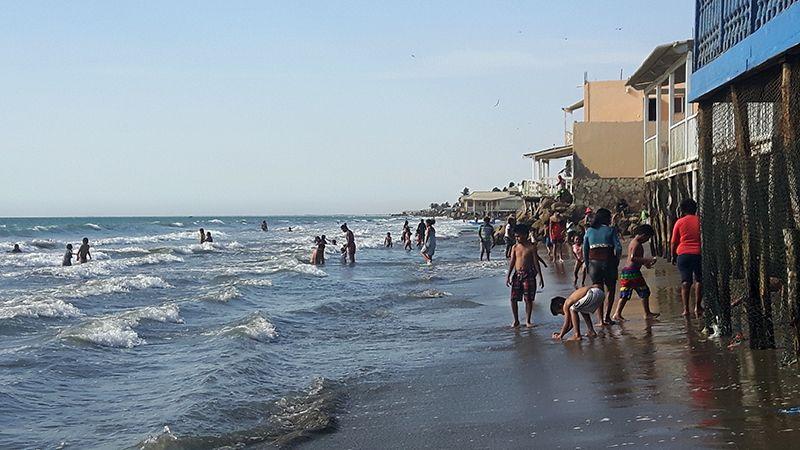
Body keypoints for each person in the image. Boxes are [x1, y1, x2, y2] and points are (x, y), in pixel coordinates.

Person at [583, 208, 622, 326]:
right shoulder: (611, 230)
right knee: (610, 290)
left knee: (598, 292)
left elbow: (585, 249)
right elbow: (619, 248)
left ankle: (600, 320)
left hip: (594, 264)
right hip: (608, 262)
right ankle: (607, 317)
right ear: (606, 218)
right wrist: (616, 261)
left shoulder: (589, 231)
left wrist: (587, 263)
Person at [614, 224, 660, 322]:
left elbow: (636, 259)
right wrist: (648, 259)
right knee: (644, 291)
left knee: (626, 293)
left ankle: (617, 313)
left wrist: (646, 263)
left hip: (628, 271)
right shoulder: (636, 244)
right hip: (632, 272)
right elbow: (633, 258)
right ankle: (646, 313)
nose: (647, 240)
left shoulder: (634, 242)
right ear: (643, 235)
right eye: (647, 238)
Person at [506, 223, 544, 328]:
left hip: (529, 275)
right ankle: (516, 320)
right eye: (516, 236)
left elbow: (536, 263)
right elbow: (512, 262)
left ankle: (528, 320)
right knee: (513, 298)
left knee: (528, 299)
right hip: (517, 275)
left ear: (525, 235)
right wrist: (508, 276)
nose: (517, 238)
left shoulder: (531, 247)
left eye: (519, 236)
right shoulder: (515, 247)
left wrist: (540, 277)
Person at [672, 198, 703, 318]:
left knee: (686, 281)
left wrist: (673, 255)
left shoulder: (679, 222)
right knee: (699, 280)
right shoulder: (700, 221)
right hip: (698, 253)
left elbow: (673, 241)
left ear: (683, 210)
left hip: (683, 254)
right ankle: (698, 306)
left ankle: (685, 309)